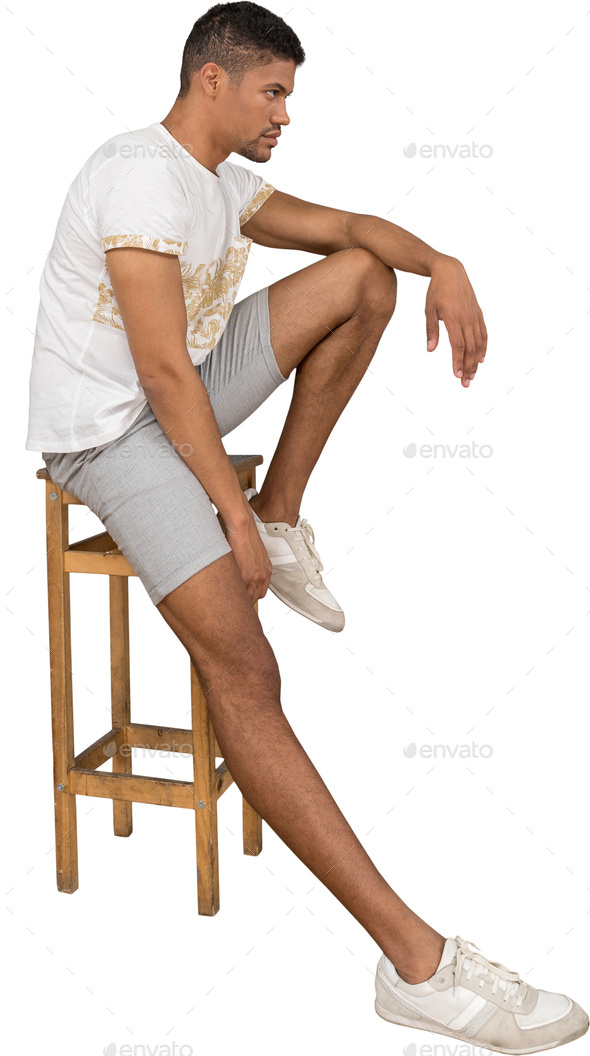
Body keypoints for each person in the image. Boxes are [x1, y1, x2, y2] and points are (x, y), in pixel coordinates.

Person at [25, 2, 588, 1051]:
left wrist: (444, 261)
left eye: (288, 95)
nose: (284, 114)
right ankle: (416, 968)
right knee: (246, 669)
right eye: (272, 92)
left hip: (174, 397)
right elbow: (158, 374)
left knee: (364, 278)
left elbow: (355, 235)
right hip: (108, 434)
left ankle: (284, 514)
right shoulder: (139, 174)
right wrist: (224, 523)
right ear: (212, 80)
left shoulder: (223, 184)